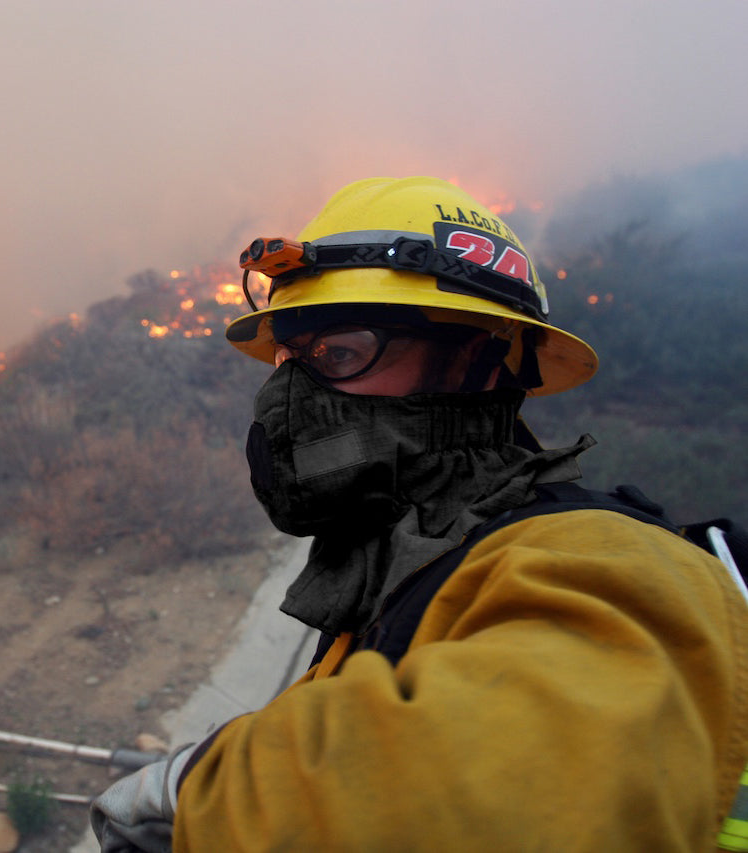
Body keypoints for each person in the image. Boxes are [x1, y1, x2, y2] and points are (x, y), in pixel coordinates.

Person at [91, 176, 748, 851]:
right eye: (285, 361)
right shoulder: (406, 567)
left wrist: (213, 790)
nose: (287, 399)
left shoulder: (602, 556)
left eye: (340, 353)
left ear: (481, 362)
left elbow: (491, 786)